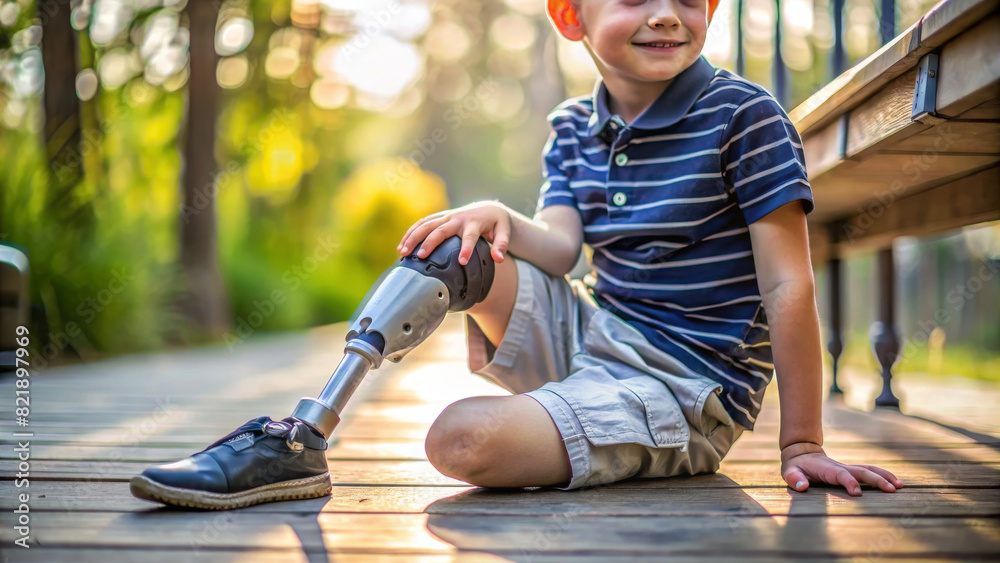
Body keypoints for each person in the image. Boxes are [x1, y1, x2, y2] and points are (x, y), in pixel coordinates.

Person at [131, 0, 901, 509]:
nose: (668, 15)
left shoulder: (744, 116)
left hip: (685, 387)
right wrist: (496, 216)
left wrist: (802, 442)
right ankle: (301, 437)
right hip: (595, 335)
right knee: (458, 246)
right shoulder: (572, 125)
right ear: (570, 15)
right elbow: (560, 250)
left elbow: (788, 284)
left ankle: (578, 425)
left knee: (456, 438)